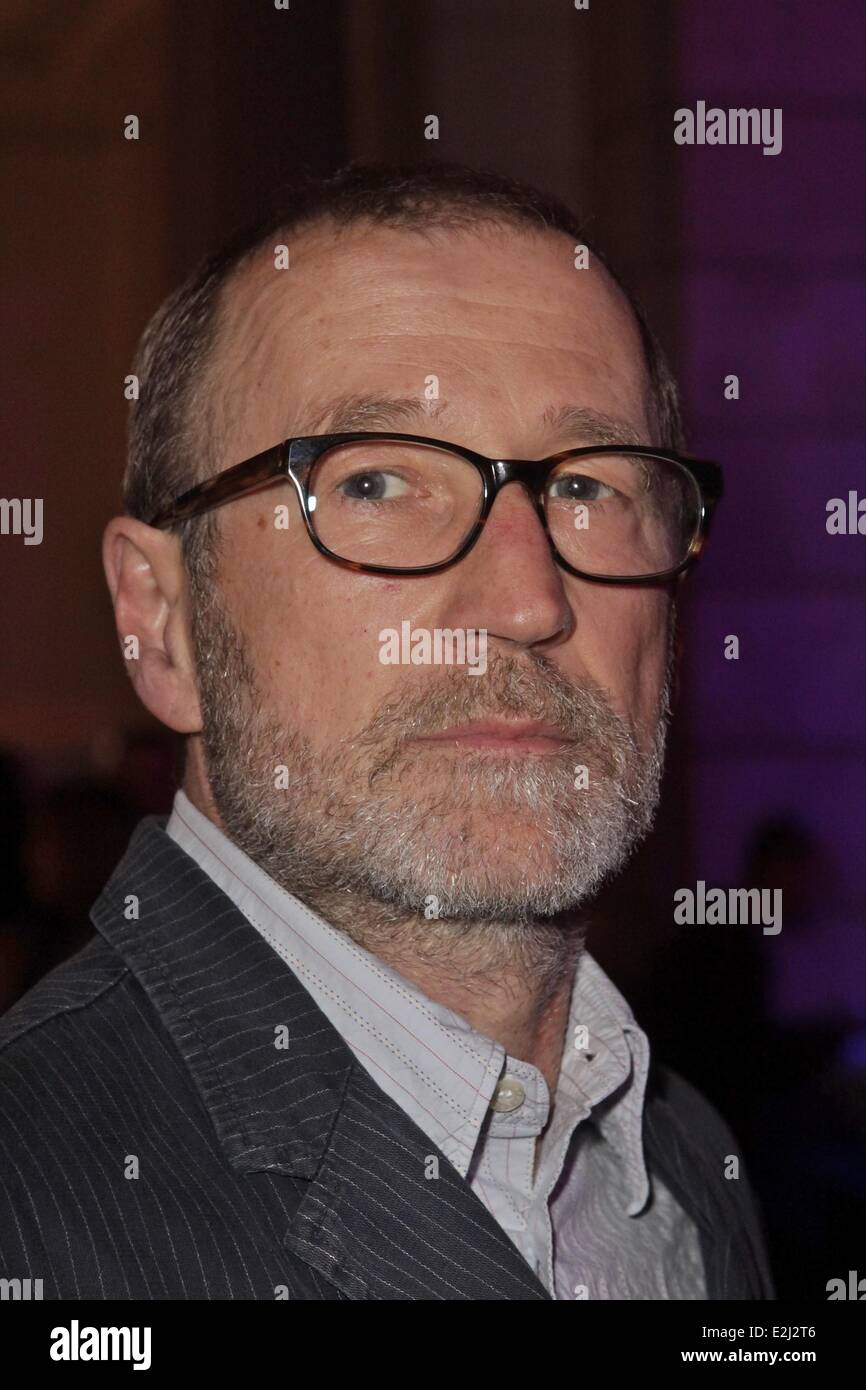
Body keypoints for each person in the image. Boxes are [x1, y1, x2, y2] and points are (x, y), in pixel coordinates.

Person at [0, 161, 773, 1300]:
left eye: (590, 489)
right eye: (372, 483)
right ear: (161, 625)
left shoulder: (680, 1160)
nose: (526, 600)